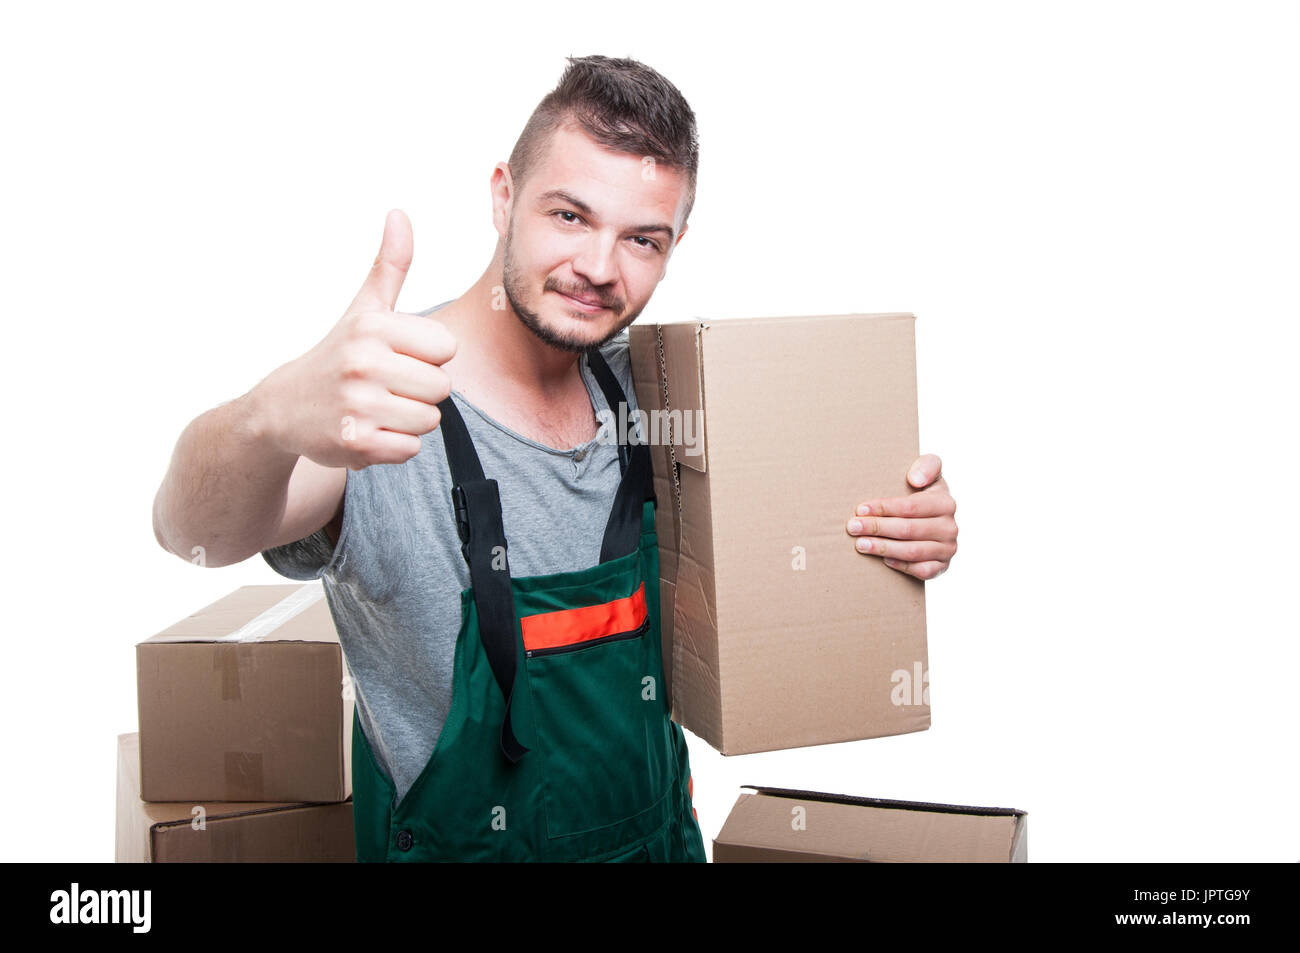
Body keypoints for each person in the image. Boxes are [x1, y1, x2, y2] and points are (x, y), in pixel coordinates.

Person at [151, 54, 958, 862]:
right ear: (503, 197)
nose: (600, 268)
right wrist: (269, 416)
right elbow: (190, 532)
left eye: (641, 237)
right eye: (569, 216)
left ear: (675, 244)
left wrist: (898, 529)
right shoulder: (381, 408)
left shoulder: (657, 391)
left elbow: (789, 548)